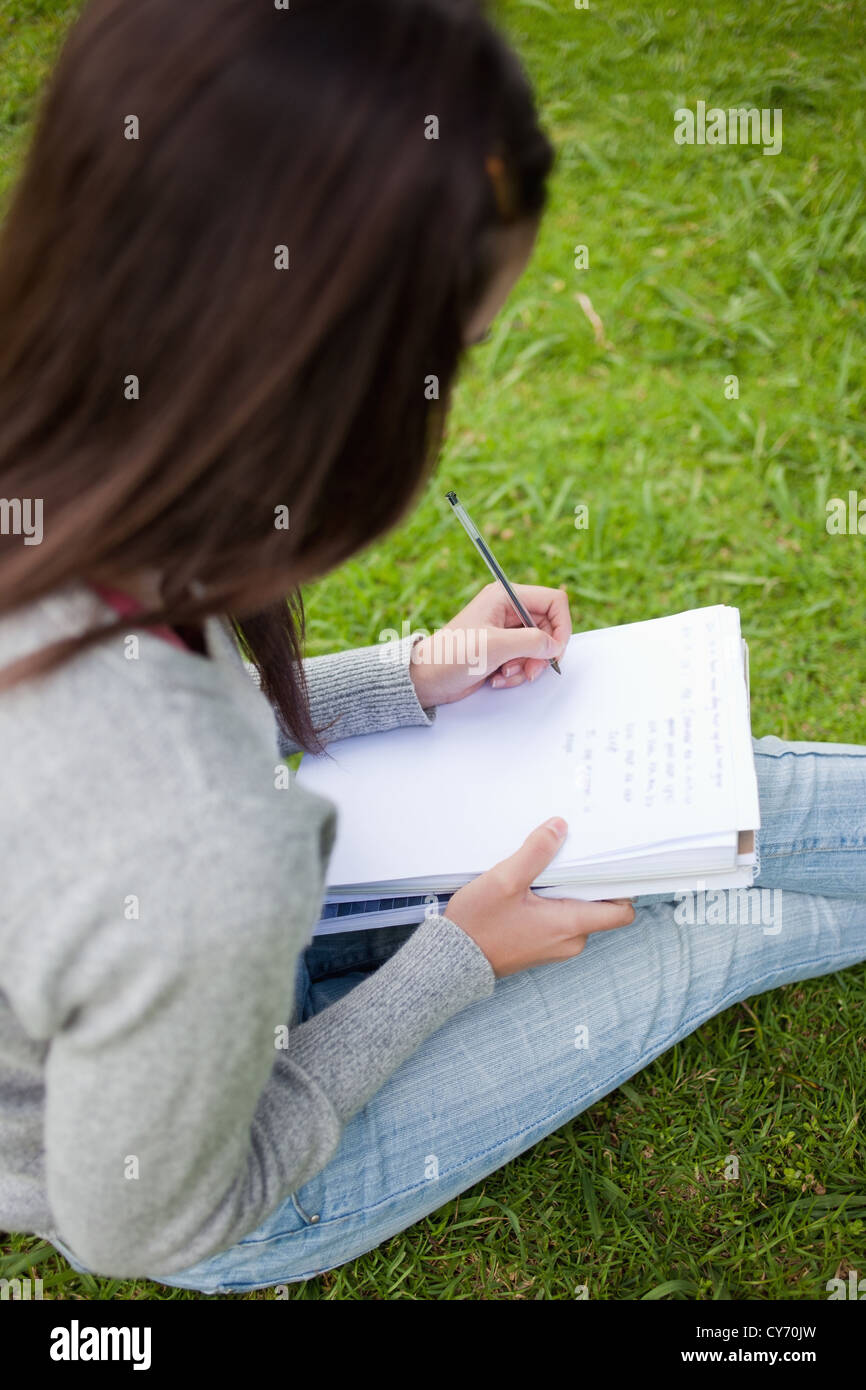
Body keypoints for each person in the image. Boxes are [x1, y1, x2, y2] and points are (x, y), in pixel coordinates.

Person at [0, 0, 863, 1296]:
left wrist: (407, 677)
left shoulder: (64, 452)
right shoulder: (193, 844)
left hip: (180, 967)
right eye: (449, 359)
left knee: (748, 799)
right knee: (706, 930)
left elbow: (157, 722)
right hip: (219, 1170)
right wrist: (454, 961)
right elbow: (148, 1221)